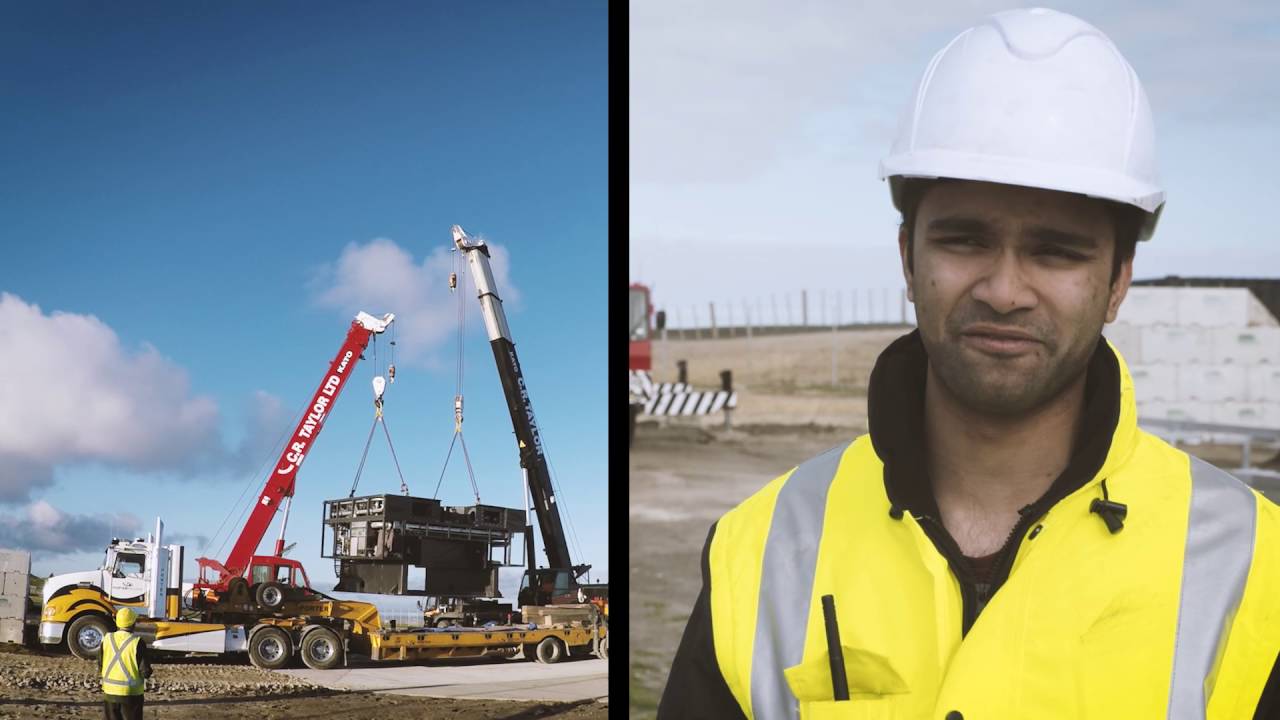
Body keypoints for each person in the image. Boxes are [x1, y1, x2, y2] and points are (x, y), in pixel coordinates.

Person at [657, 8, 1280, 719]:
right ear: (907, 257)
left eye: (1057, 250)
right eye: (964, 239)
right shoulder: (760, 550)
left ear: (1117, 282)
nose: (1005, 290)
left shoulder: (1255, 565)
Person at [100, 607, 153, 720]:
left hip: (109, 692)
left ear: (117, 622)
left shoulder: (107, 639)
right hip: (131, 694)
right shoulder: (137, 642)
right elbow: (145, 672)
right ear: (133, 624)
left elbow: (100, 663)